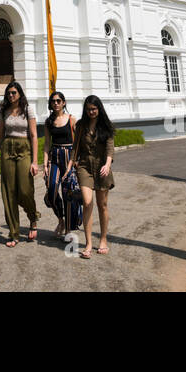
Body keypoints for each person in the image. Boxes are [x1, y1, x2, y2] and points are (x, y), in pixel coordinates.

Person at [0, 80, 38, 247]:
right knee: (8, 192)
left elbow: (33, 136)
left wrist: (34, 161)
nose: (11, 96)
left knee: (25, 190)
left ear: (20, 94)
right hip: (7, 150)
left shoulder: (28, 109)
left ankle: (33, 217)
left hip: (24, 148)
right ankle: (14, 233)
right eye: (9, 93)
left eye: (14, 93)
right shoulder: (4, 110)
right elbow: (0, 135)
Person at [67, 94, 114, 258]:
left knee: (103, 205)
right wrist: (70, 164)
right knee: (87, 202)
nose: (91, 112)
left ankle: (103, 239)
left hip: (102, 167)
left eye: (93, 109)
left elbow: (109, 148)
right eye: (88, 109)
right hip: (85, 167)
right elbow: (75, 148)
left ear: (99, 109)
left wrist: (107, 164)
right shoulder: (80, 126)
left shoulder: (106, 127)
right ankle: (88, 243)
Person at [40, 91, 79, 240]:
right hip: (54, 157)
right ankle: (60, 220)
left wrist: (74, 161)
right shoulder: (49, 122)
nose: (55, 103)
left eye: (58, 101)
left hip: (69, 156)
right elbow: (47, 144)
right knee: (52, 189)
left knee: (68, 193)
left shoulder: (71, 120)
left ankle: (69, 229)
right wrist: (45, 165)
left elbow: (77, 142)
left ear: (64, 103)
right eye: (53, 101)